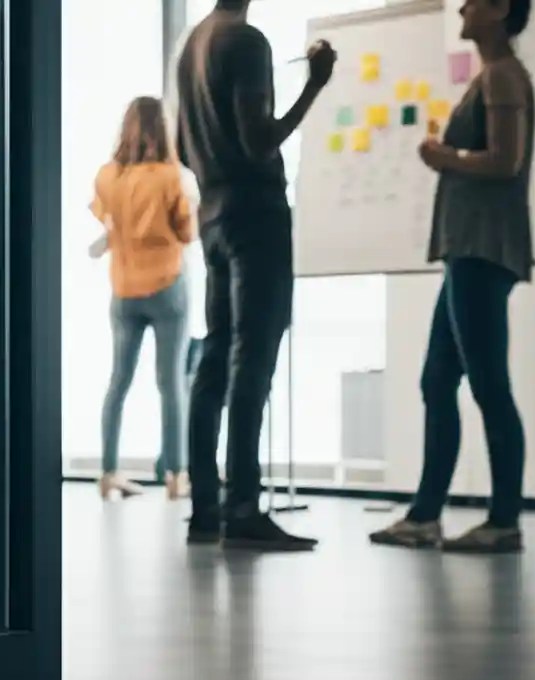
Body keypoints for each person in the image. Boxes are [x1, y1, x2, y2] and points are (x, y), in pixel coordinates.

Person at [370, 0, 534, 554]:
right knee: (437, 381)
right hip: (467, 250)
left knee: (489, 384)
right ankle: (424, 516)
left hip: (482, 251)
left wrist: (445, 156)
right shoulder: (493, 76)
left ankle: (504, 520)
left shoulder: (503, 75)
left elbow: (506, 161)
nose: (462, 6)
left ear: (500, 9)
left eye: (474, 0)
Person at [175, 0, 335, 548]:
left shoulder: (192, 44)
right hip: (256, 213)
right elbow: (259, 140)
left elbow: (181, 146)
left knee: (217, 353)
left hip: (213, 214)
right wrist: (315, 85)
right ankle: (243, 504)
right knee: (254, 353)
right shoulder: (246, 41)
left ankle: (205, 508)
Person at [89, 97, 195, 501]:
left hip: (123, 289)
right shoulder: (171, 176)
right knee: (171, 383)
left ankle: (108, 472)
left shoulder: (107, 176)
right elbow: (187, 231)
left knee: (118, 381)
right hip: (167, 285)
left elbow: (105, 218)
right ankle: (175, 476)